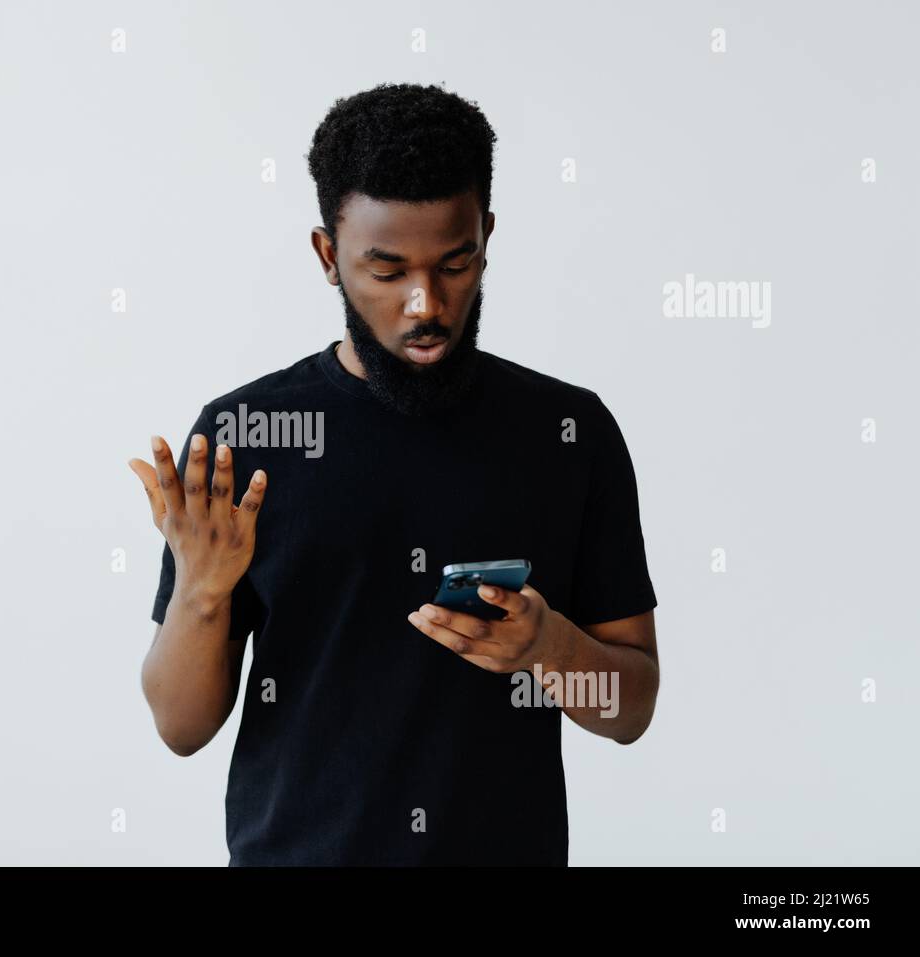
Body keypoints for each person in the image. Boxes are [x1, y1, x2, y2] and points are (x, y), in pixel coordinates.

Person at [127, 82, 659, 866]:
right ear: (326, 256)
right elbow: (181, 728)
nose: (426, 305)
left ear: (487, 238)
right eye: (386, 270)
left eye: (455, 262)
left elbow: (628, 710)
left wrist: (548, 646)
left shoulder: (568, 432)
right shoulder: (244, 439)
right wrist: (202, 589)